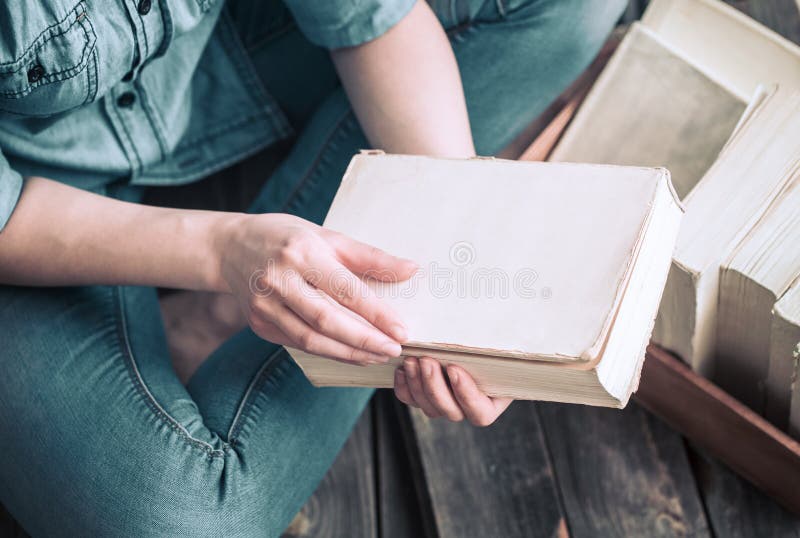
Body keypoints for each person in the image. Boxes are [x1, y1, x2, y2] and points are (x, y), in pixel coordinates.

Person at [0, 0, 626, 535]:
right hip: (29, 221)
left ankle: (232, 315)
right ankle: (276, 300)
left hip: (208, 77)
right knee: (183, 519)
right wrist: (222, 252)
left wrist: (452, 251)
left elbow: (373, 14)